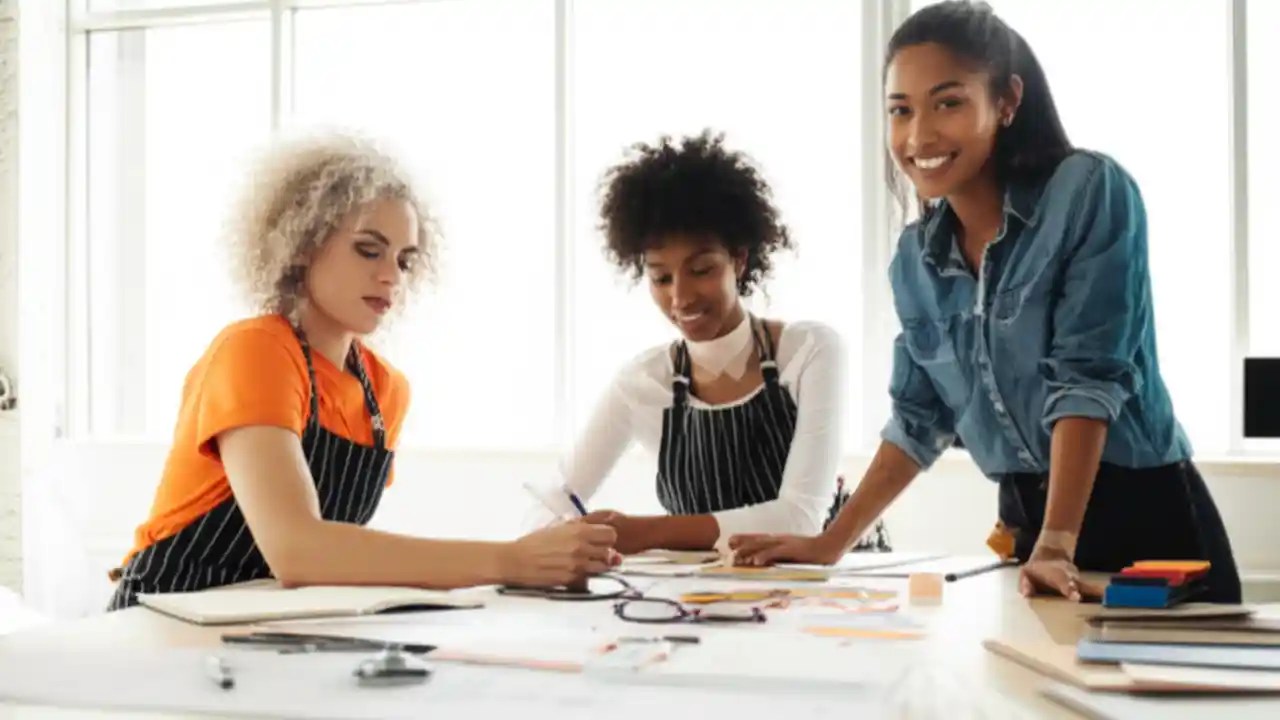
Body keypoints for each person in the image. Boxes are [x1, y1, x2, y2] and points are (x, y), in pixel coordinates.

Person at [729, 0, 1241, 603]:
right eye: (901, 110)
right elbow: (918, 421)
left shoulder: (1088, 193)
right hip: (1031, 527)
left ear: (1006, 102)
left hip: (1141, 512)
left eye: (948, 102)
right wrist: (830, 542)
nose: (918, 135)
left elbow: (1087, 377)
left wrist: (1057, 543)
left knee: (1160, 693)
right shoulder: (914, 260)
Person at [107, 133, 617, 610]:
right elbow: (298, 551)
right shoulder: (256, 349)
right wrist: (511, 560)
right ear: (304, 243)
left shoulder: (385, 390)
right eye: (368, 250)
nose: (390, 275)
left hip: (266, 619)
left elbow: (342, 557)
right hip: (165, 614)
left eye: (404, 260)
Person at [543, 130, 885, 556]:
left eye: (701, 270)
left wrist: (648, 532)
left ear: (739, 260)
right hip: (712, 598)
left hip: (833, 585)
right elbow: (559, 498)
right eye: (661, 278)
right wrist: (537, 548)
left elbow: (801, 518)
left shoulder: (810, 351)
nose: (680, 297)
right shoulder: (642, 382)